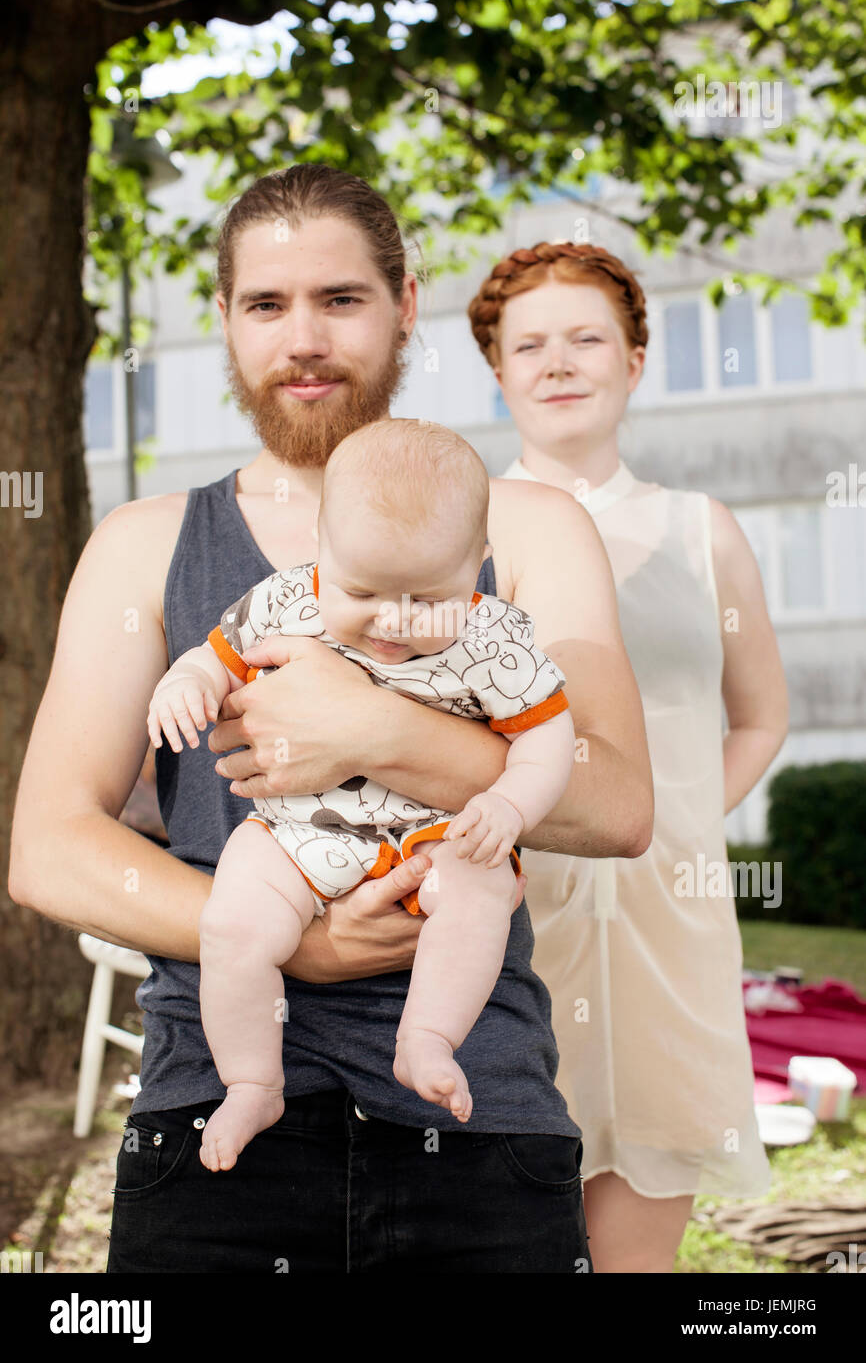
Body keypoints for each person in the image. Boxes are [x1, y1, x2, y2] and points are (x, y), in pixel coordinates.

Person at [9, 167, 653, 1274]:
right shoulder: (146, 542)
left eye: (340, 299)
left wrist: (372, 730)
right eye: (266, 304)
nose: (302, 337)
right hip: (212, 1108)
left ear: (406, 303)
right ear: (222, 321)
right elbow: (48, 847)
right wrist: (296, 944)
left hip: (474, 1110)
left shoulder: (530, 526)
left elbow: (613, 802)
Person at [467, 240, 788, 1272]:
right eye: (529, 344)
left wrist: (675, 822)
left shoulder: (704, 531)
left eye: (584, 338)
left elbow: (758, 718)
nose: (556, 362)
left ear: (634, 359)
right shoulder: (457, 529)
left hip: (668, 933)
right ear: (498, 369)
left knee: (635, 1259)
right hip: (508, 927)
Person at [147, 416, 575, 1165]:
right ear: (321, 546)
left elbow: (547, 737)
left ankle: (427, 1039)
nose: (390, 621)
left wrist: (509, 804)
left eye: (424, 599)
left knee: (478, 896)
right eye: (363, 590)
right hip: (296, 834)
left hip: (436, 834)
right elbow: (214, 658)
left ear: (477, 563)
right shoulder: (286, 601)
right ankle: (251, 1081)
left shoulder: (494, 639)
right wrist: (187, 682)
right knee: (232, 925)